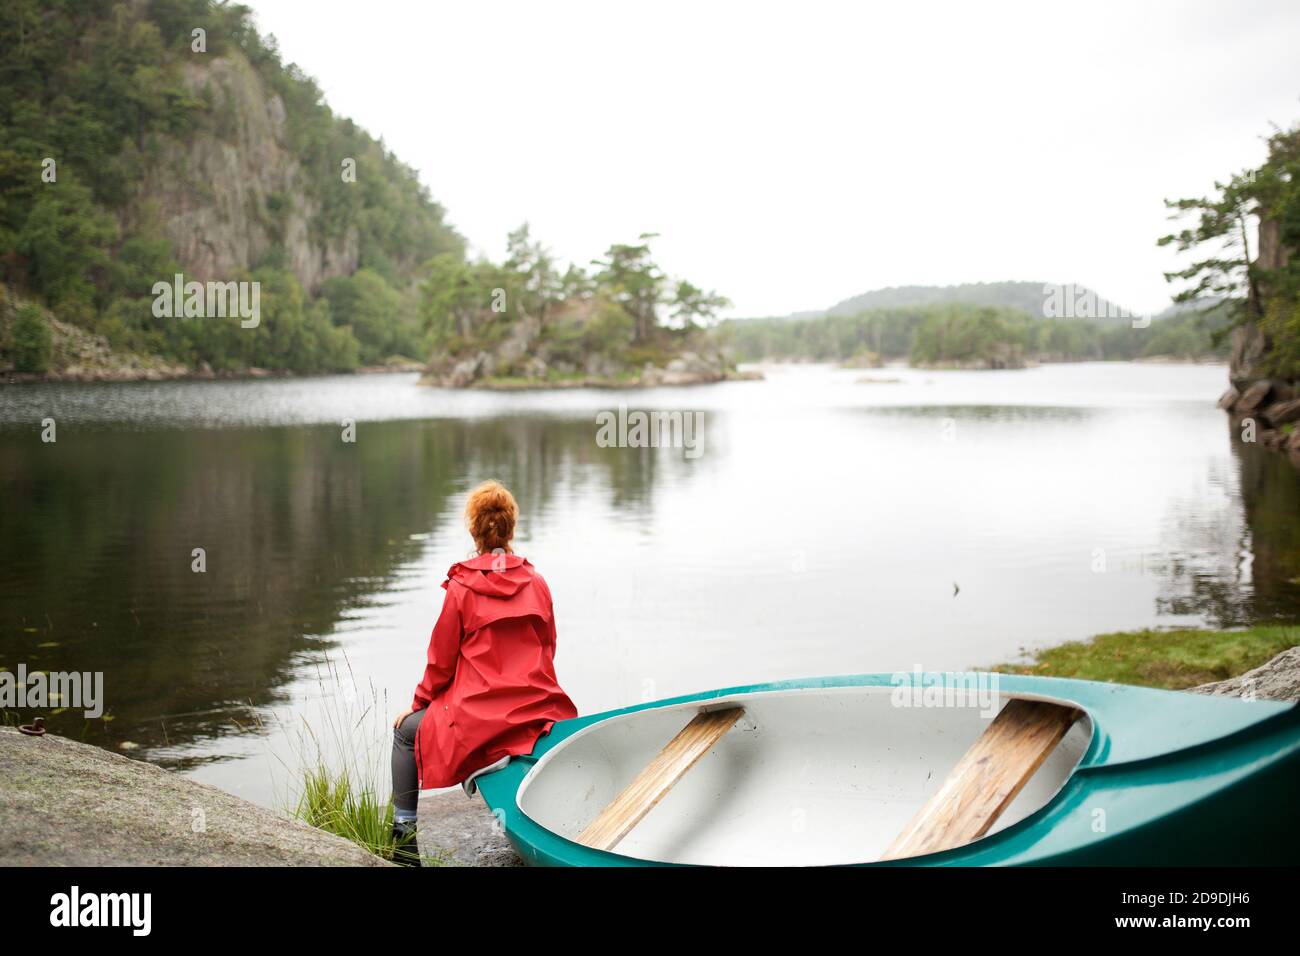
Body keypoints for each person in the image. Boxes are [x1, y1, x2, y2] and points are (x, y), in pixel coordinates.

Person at [390, 479, 578, 864]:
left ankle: (403, 842)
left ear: (474, 531)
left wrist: (417, 705)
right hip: (536, 711)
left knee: (405, 736)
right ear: (511, 529)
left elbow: (440, 665)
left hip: (480, 720)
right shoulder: (537, 583)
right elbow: (548, 649)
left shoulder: (461, 589)